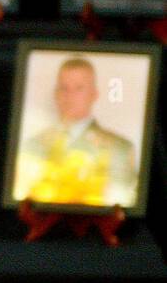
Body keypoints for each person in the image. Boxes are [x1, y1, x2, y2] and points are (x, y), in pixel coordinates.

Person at [15, 57, 137, 207]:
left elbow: (123, 203)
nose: (69, 95)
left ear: (94, 95)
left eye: (79, 88)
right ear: (55, 94)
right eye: (63, 88)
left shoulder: (119, 149)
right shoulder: (32, 145)